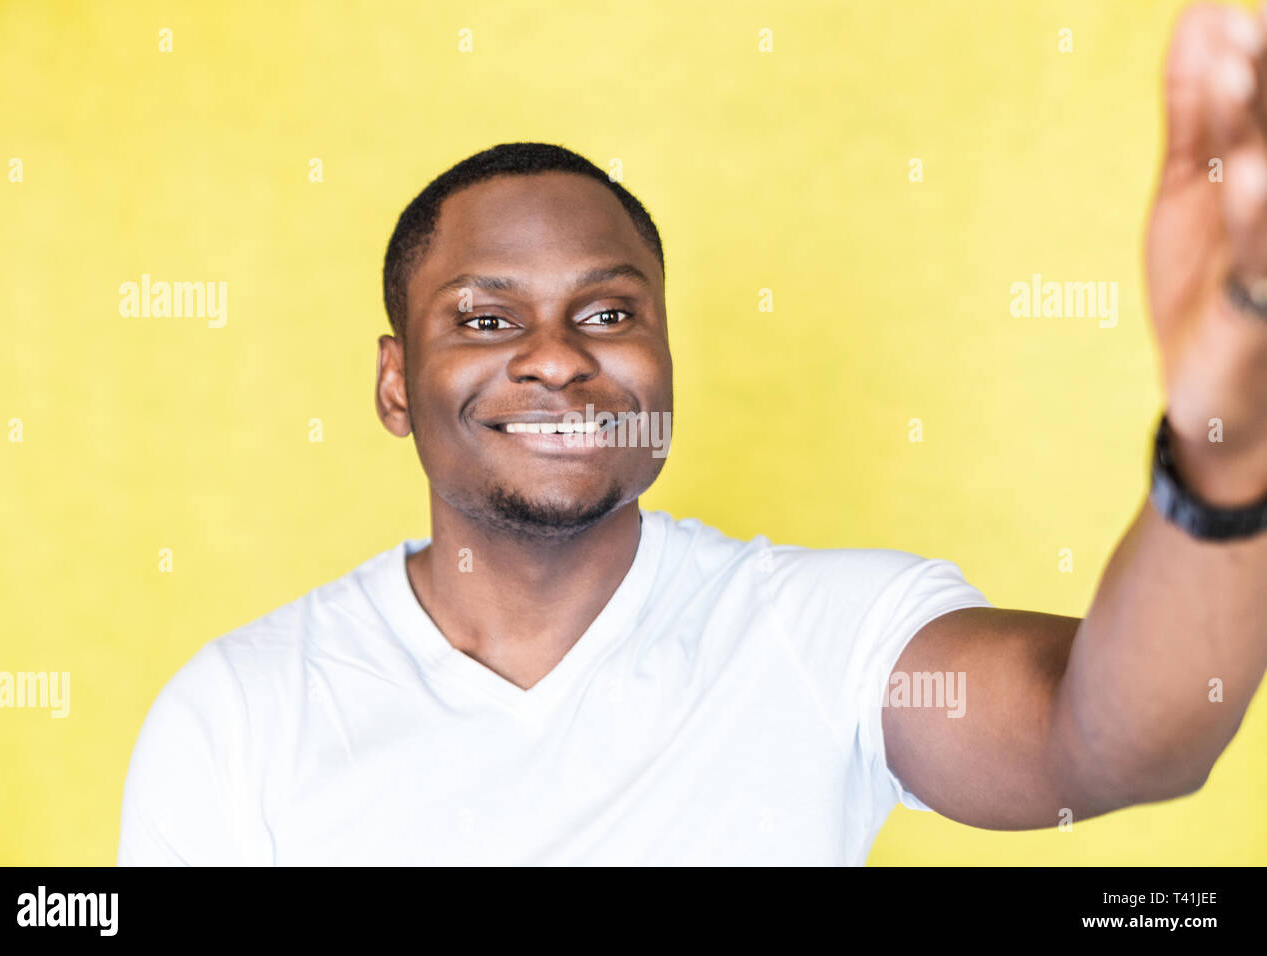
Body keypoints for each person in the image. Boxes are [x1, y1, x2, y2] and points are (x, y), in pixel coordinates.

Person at [118, 4, 1267, 865]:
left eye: (608, 312)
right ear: (392, 383)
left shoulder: (822, 638)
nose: (558, 354)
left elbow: (1114, 739)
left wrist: (1222, 445)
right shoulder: (241, 712)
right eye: (484, 317)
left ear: (664, 363)